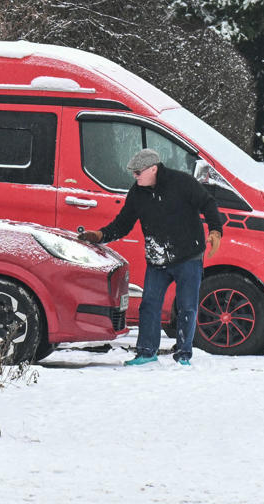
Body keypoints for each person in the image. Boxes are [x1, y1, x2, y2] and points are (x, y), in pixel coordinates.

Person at [78, 148, 223, 367]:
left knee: (187, 306)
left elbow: (208, 203)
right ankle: (146, 352)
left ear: (153, 169)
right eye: (133, 173)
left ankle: (184, 354)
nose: (135, 177)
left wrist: (215, 230)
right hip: (157, 259)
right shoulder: (137, 193)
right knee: (149, 305)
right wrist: (100, 235)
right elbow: (123, 224)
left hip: (189, 255)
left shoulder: (182, 183)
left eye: (138, 172)